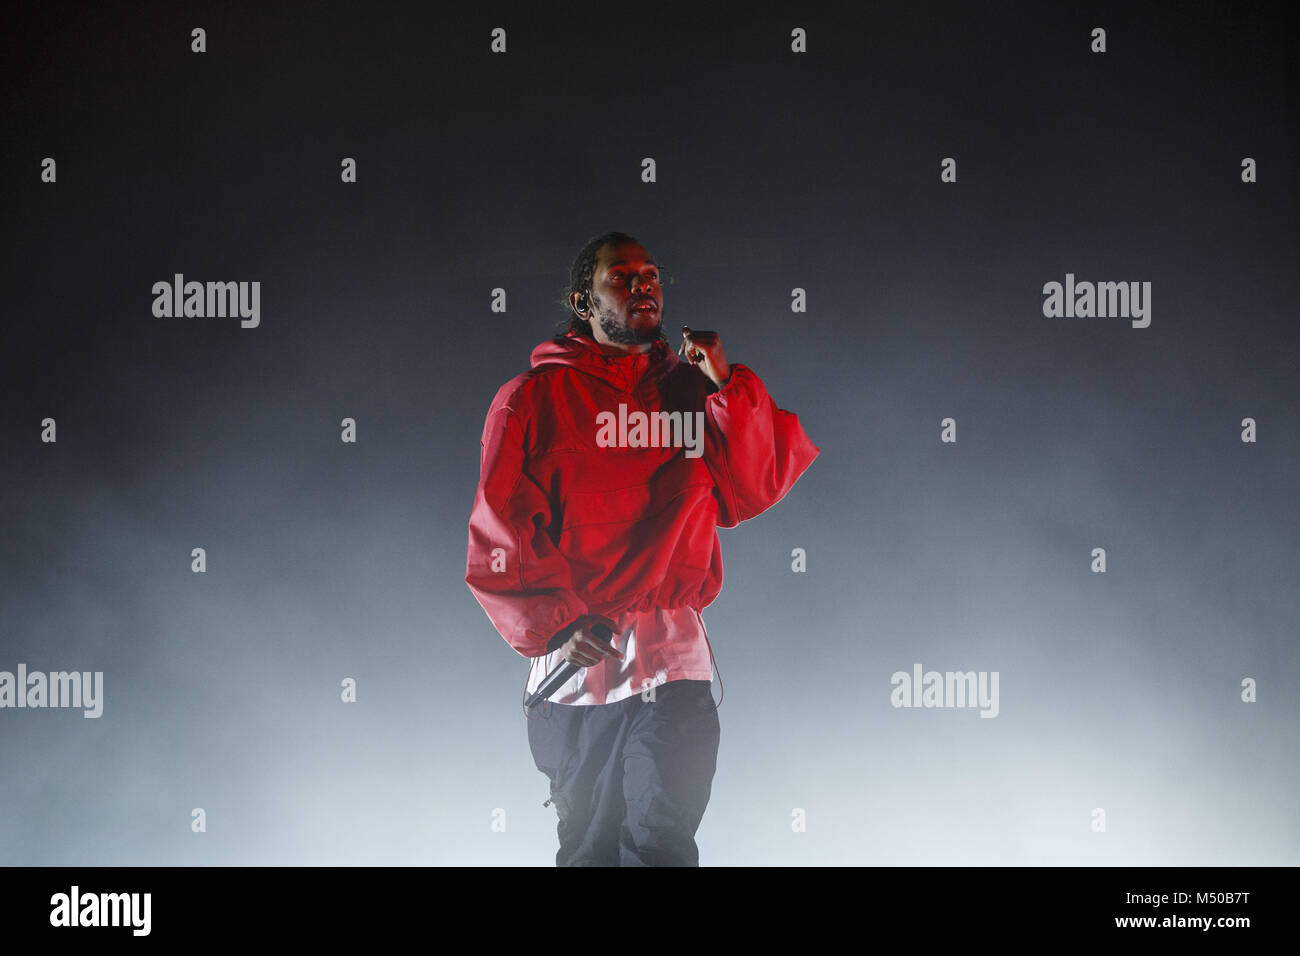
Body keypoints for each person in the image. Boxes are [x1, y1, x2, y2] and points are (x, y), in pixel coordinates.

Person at [465, 231, 819, 865]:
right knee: (589, 851)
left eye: (651, 275)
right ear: (583, 301)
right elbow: (500, 532)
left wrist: (727, 384)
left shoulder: (689, 390)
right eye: (621, 277)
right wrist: (552, 626)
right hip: (578, 667)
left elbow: (755, 484)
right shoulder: (530, 400)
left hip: (672, 658)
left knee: (661, 841)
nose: (643, 286)